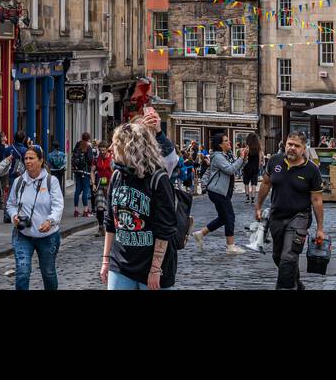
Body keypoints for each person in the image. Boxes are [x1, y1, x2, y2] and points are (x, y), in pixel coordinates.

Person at [99, 121, 179, 289]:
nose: (111, 149)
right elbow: (110, 222)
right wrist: (106, 260)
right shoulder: (117, 176)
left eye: (117, 144)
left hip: (152, 265)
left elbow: (165, 228)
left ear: (130, 148)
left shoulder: (158, 179)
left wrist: (156, 270)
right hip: (120, 263)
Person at [255, 132, 326, 290]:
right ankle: (296, 284)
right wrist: (258, 206)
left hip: (300, 217)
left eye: (296, 145)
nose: (292, 148)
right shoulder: (274, 161)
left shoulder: (312, 170)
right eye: (289, 144)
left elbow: (317, 200)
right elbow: (266, 184)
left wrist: (320, 228)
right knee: (278, 257)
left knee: (288, 257)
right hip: (277, 216)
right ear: (285, 144)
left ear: (303, 148)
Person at [6, 146, 63, 290]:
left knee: (48, 273)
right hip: (23, 234)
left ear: (41, 161)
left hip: (47, 236)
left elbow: (58, 206)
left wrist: (50, 221)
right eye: (26, 158)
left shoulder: (52, 181)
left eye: (31, 158)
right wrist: (14, 216)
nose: (27, 161)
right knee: (22, 272)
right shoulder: (19, 182)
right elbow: (11, 204)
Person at [193, 132, 244, 254]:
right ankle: (230, 246)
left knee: (223, 218)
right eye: (226, 141)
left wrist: (244, 158)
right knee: (230, 217)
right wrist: (241, 158)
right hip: (218, 191)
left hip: (221, 191)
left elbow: (236, 167)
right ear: (221, 145)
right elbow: (231, 170)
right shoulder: (218, 157)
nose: (229, 142)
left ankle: (200, 233)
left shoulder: (226, 155)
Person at [70, 133, 95, 218]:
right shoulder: (88, 147)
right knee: (85, 191)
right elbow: (90, 159)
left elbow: (73, 155)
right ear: (88, 138)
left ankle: (76, 211)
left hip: (77, 171)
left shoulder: (77, 145)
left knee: (77, 191)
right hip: (86, 172)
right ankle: (85, 211)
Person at [242, 133, 261, 204]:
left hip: (247, 167)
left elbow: (244, 158)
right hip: (255, 167)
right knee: (254, 183)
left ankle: (247, 197)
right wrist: (258, 167)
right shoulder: (258, 148)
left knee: (246, 182)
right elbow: (260, 159)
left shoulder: (247, 148)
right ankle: (253, 198)